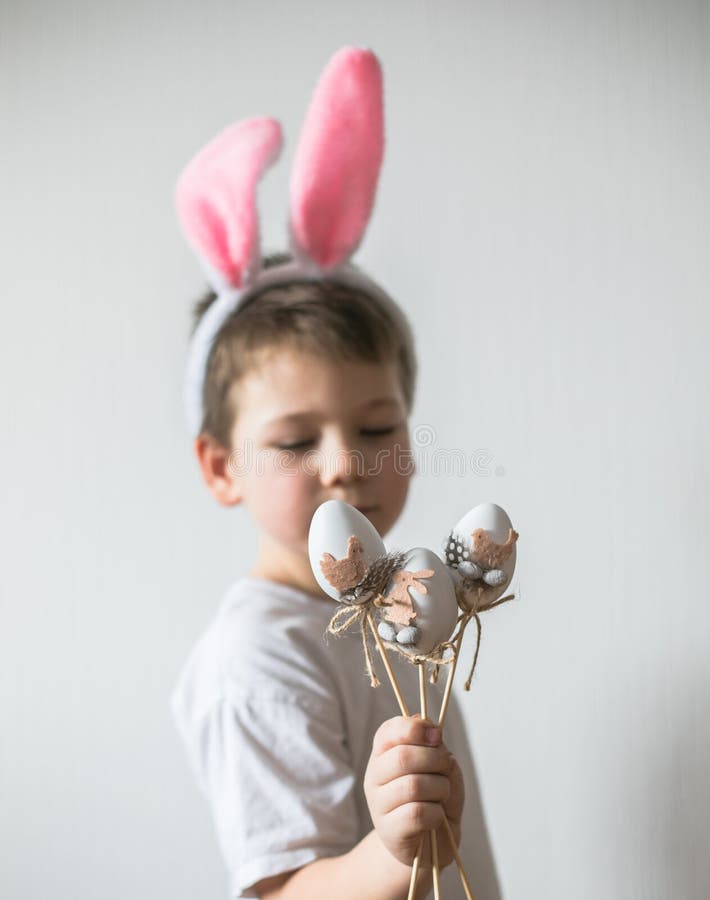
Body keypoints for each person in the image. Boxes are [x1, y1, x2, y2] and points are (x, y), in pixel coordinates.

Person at [170, 47, 502, 900]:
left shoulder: (406, 604)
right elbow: (284, 891)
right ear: (221, 468)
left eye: (376, 427)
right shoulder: (258, 657)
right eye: (293, 441)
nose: (346, 462)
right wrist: (391, 855)